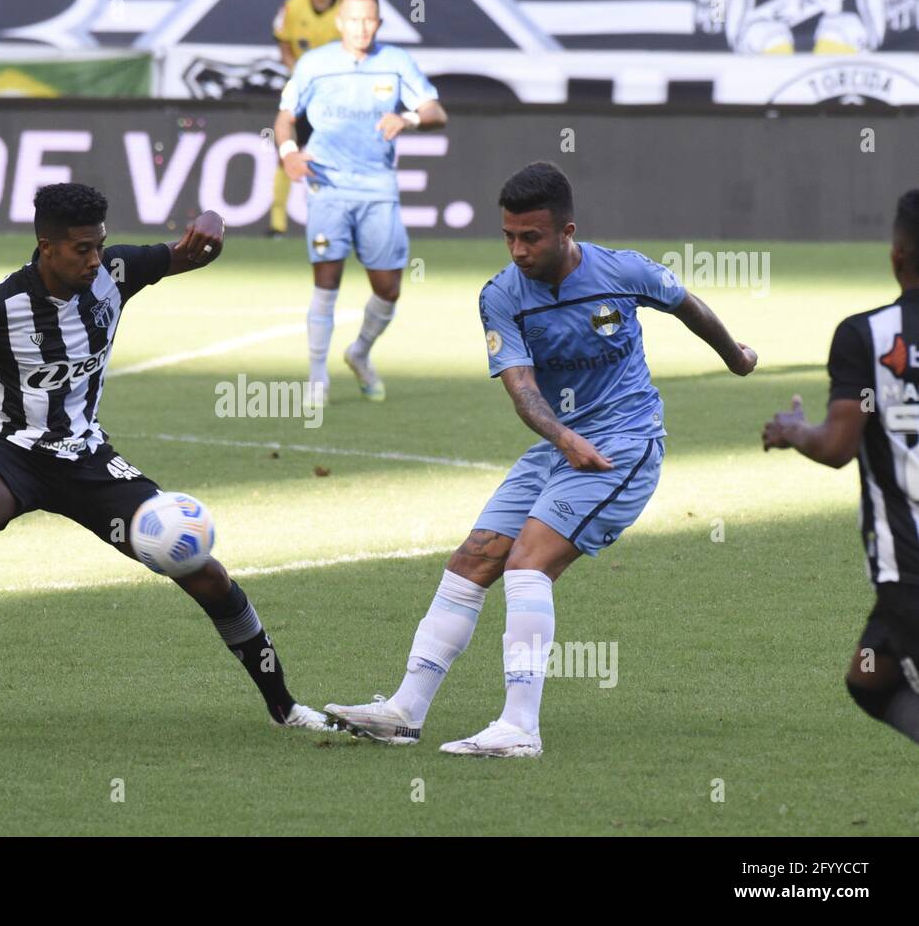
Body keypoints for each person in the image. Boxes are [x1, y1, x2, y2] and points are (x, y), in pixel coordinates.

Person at [0, 183, 333, 732]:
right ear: (46, 246)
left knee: (204, 573)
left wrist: (214, 220)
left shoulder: (115, 273)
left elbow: (193, 251)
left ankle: (285, 708)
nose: (95, 258)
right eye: (82, 249)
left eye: (100, 244)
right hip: (13, 450)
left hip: (86, 455)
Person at [325, 162, 757, 756]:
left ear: (566, 231)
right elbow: (523, 391)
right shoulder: (501, 295)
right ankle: (405, 711)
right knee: (474, 559)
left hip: (623, 444)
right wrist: (562, 439)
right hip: (558, 444)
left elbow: (687, 304)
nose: (518, 250)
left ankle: (519, 729)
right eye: (508, 236)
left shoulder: (622, 271)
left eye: (531, 237)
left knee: (527, 565)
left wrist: (736, 357)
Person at [762, 189, 919, 745]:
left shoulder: (867, 336)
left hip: (910, 564)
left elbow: (836, 446)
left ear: (897, 253)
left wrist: (791, 430)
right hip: (903, 577)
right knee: (870, 678)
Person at [274, 0, 447, 406]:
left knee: (388, 288)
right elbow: (284, 118)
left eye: (369, 20)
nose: (361, 28)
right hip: (327, 185)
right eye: (353, 20)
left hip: (377, 189)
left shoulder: (395, 62)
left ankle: (359, 353)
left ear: (380, 23)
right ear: (339, 23)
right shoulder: (316, 64)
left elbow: (436, 113)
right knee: (326, 280)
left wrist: (406, 118)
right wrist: (289, 152)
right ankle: (318, 378)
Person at [268, 0, 339, 239]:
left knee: (335, 156)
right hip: (302, 92)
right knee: (286, 151)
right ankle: (277, 224)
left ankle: (334, 223)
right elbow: (284, 45)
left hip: (336, 96)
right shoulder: (293, 6)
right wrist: (302, 74)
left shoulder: (347, 9)